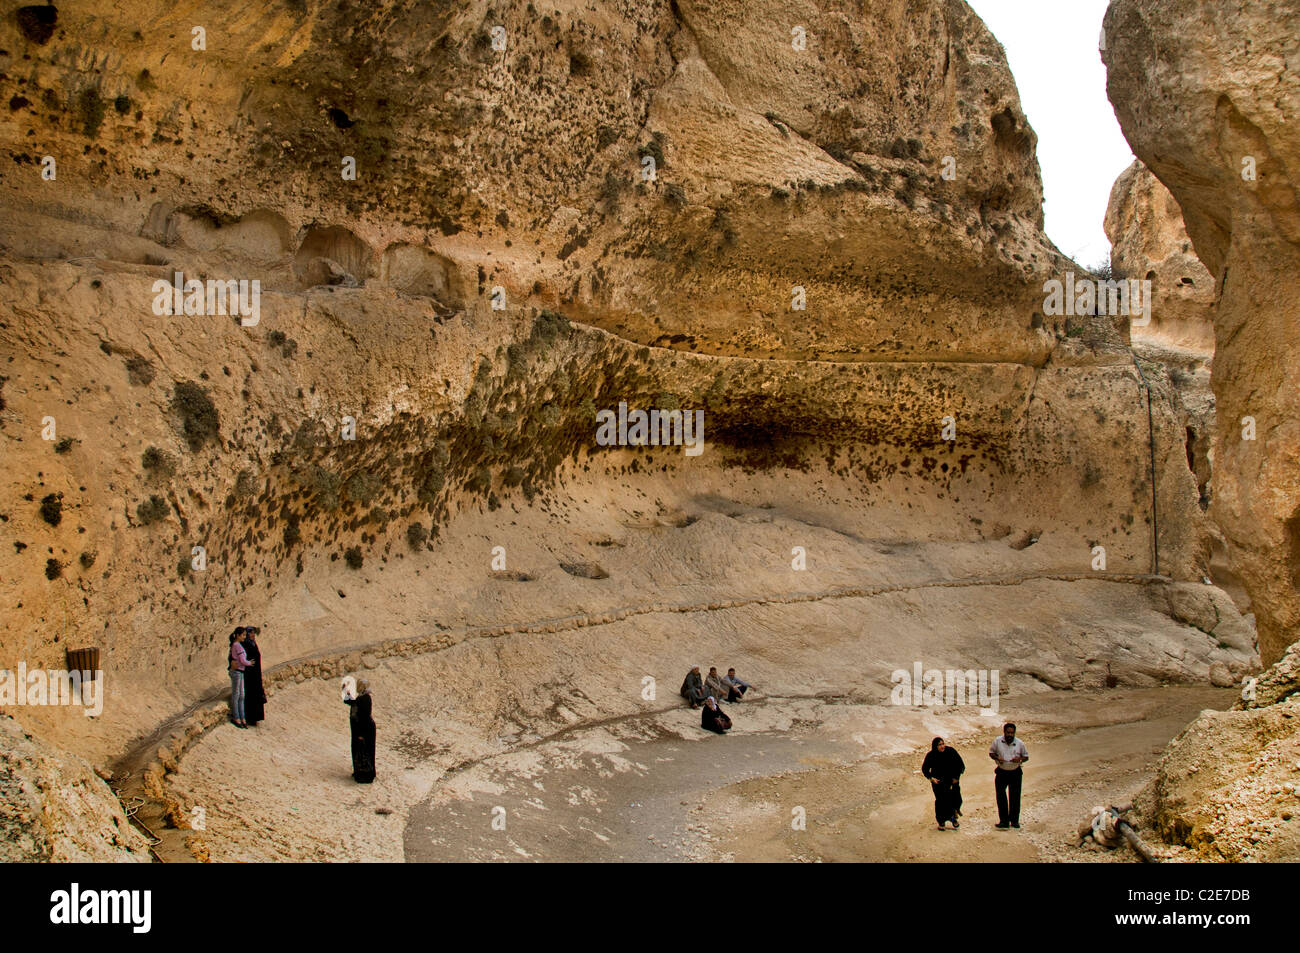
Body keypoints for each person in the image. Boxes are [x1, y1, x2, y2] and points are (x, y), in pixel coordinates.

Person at [989, 722, 1029, 829]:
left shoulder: (1020, 743)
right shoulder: (997, 741)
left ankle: (1014, 821)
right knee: (1001, 797)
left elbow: (1026, 756)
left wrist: (1019, 759)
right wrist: (997, 758)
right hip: (1001, 772)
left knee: (1015, 797)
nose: (1010, 735)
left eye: (1012, 733)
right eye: (1008, 732)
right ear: (1004, 732)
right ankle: (1004, 821)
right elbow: (991, 753)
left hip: (1015, 772)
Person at [921, 737, 966, 830]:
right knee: (941, 801)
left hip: (952, 781)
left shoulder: (950, 751)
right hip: (938, 783)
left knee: (955, 799)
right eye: (939, 745)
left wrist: (956, 777)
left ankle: (954, 815)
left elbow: (960, 764)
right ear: (935, 746)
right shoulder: (931, 755)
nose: (942, 746)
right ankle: (942, 821)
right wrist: (931, 778)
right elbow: (925, 769)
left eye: (943, 744)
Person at [343, 678, 376, 783]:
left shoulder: (365, 699)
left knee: (365, 751)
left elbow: (365, 717)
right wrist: (345, 690)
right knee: (358, 750)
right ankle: (359, 773)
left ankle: (365, 775)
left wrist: (361, 734)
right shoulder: (361, 697)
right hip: (359, 730)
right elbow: (351, 702)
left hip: (364, 731)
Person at [228, 628, 253, 729]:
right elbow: (242, 660)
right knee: (237, 695)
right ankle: (237, 717)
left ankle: (242, 717)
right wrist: (249, 663)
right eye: (243, 635)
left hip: (239, 672)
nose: (244, 637)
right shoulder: (237, 645)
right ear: (237, 635)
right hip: (237, 672)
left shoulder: (236, 645)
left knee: (241, 695)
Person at [242, 626, 267, 726]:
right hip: (249, 675)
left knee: (256, 693)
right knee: (251, 695)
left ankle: (256, 717)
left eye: (253, 633)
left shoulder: (253, 644)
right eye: (250, 633)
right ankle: (250, 717)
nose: (253, 635)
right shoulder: (246, 645)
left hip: (256, 674)